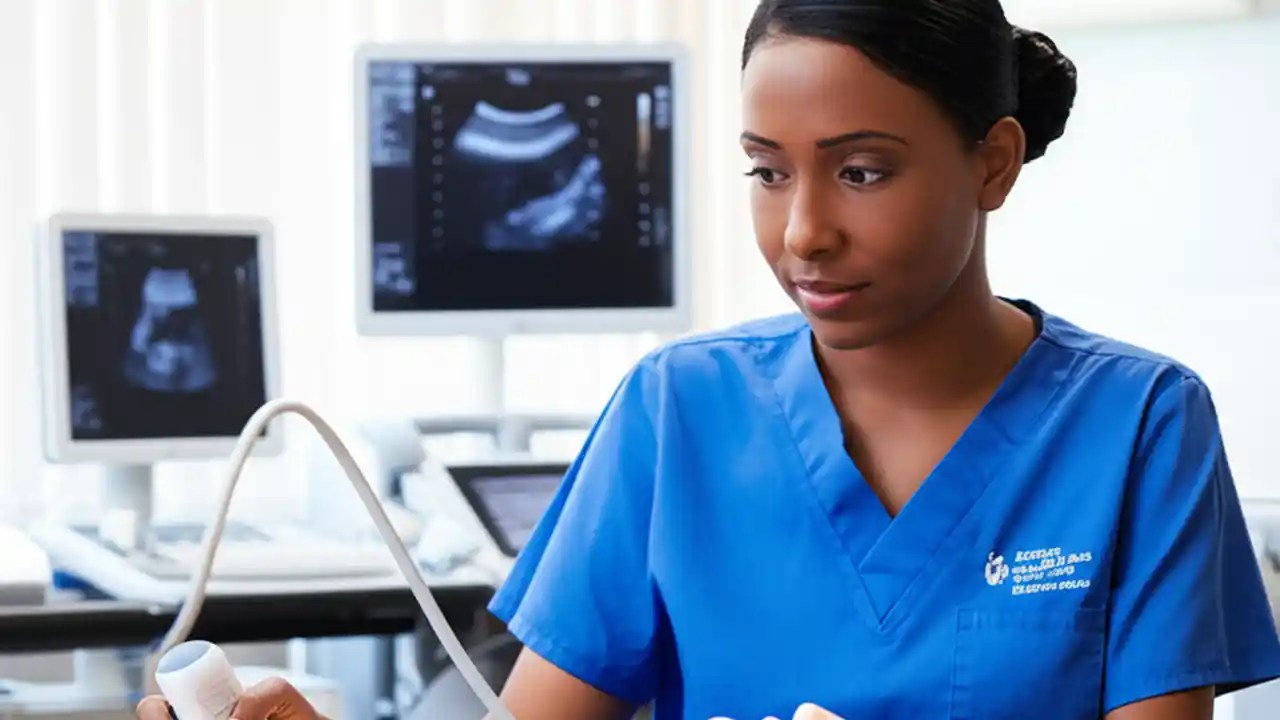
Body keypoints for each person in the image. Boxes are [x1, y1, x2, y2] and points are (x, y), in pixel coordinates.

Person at [138, 0, 1280, 718]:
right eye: (766, 170)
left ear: (991, 163)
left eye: (863, 170)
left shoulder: (1136, 423)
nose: (802, 233)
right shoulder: (677, 411)